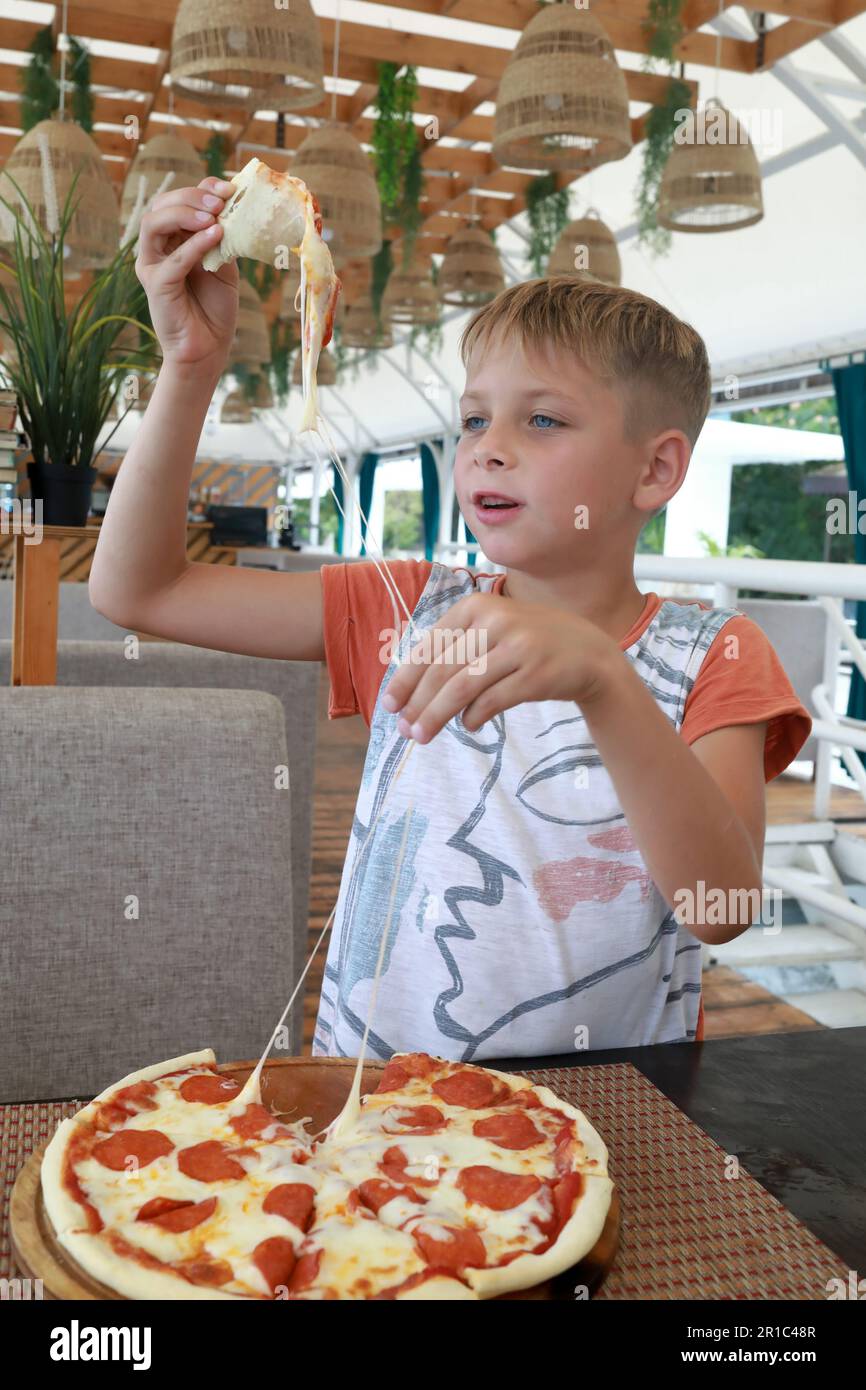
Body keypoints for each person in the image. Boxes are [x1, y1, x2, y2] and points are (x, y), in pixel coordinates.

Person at [90, 176, 812, 1061]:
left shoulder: (714, 656)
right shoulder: (406, 605)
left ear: (656, 471)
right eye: (473, 419)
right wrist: (190, 367)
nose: (488, 446)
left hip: (606, 1117)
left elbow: (725, 908)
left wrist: (604, 678)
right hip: (375, 1094)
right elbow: (140, 589)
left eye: (542, 418)